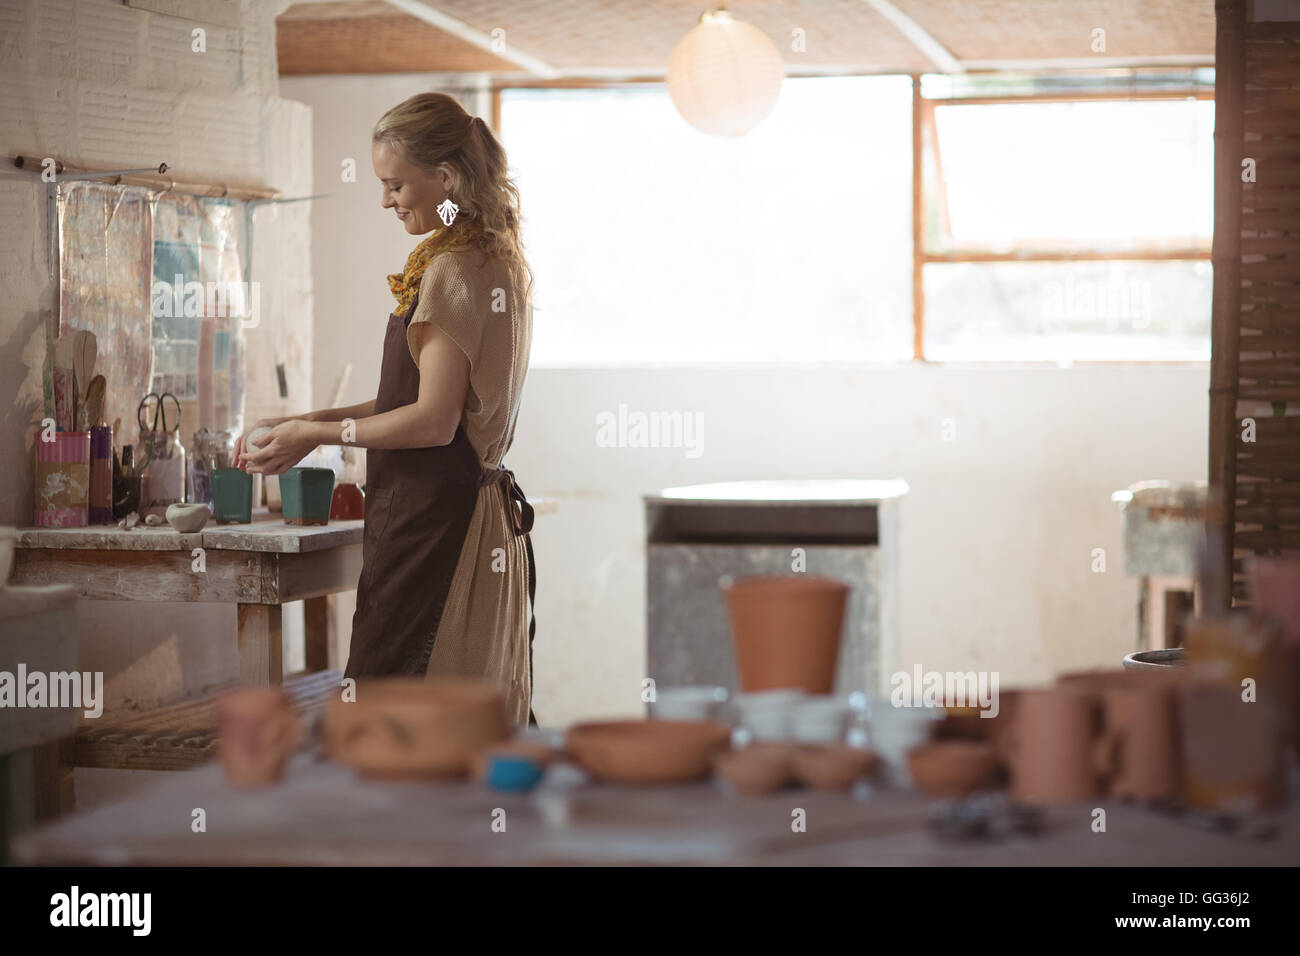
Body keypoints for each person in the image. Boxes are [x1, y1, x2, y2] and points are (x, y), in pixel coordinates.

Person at [236, 92, 537, 726]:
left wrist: (315, 433)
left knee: (389, 720)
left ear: (446, 178)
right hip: (455, 514)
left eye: (396, 183)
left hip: (438, 527)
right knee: (445, 727)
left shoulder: (454, 269)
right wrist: (309, 424)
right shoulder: (491, 257)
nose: (386, 200)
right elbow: (410, 401)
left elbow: (432, 421)